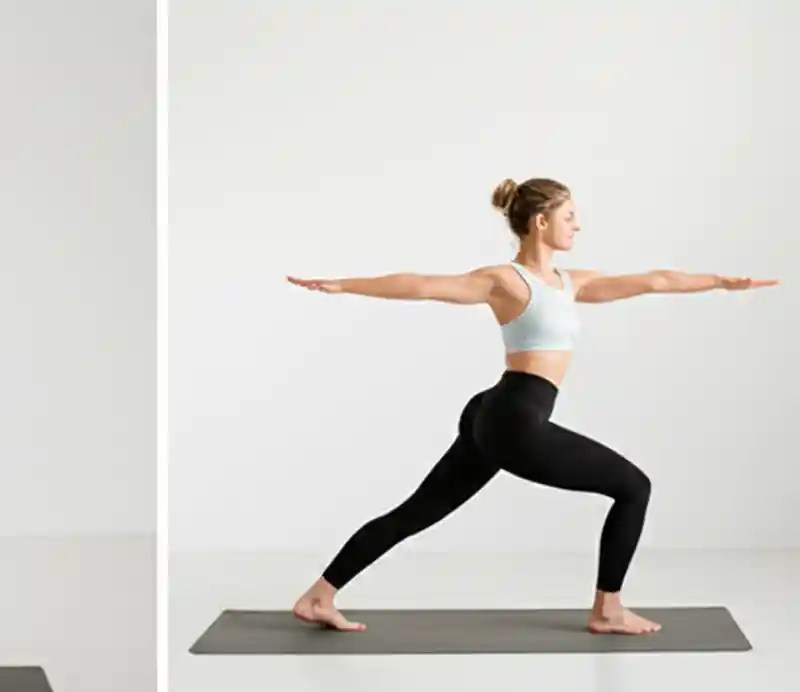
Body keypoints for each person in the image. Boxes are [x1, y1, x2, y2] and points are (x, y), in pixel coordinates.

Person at [285, 177, 778, 636]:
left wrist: (719, 281)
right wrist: (343, 285)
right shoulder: (505, 280)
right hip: (512, 417)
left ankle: (318, 596)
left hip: (496, 412)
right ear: (541, 221)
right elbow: (422, 285)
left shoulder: (570, 283)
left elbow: (656, 281)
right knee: (634, 487)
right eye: (569, 216)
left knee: (419, 510)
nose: (577, 225)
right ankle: (608, 610)